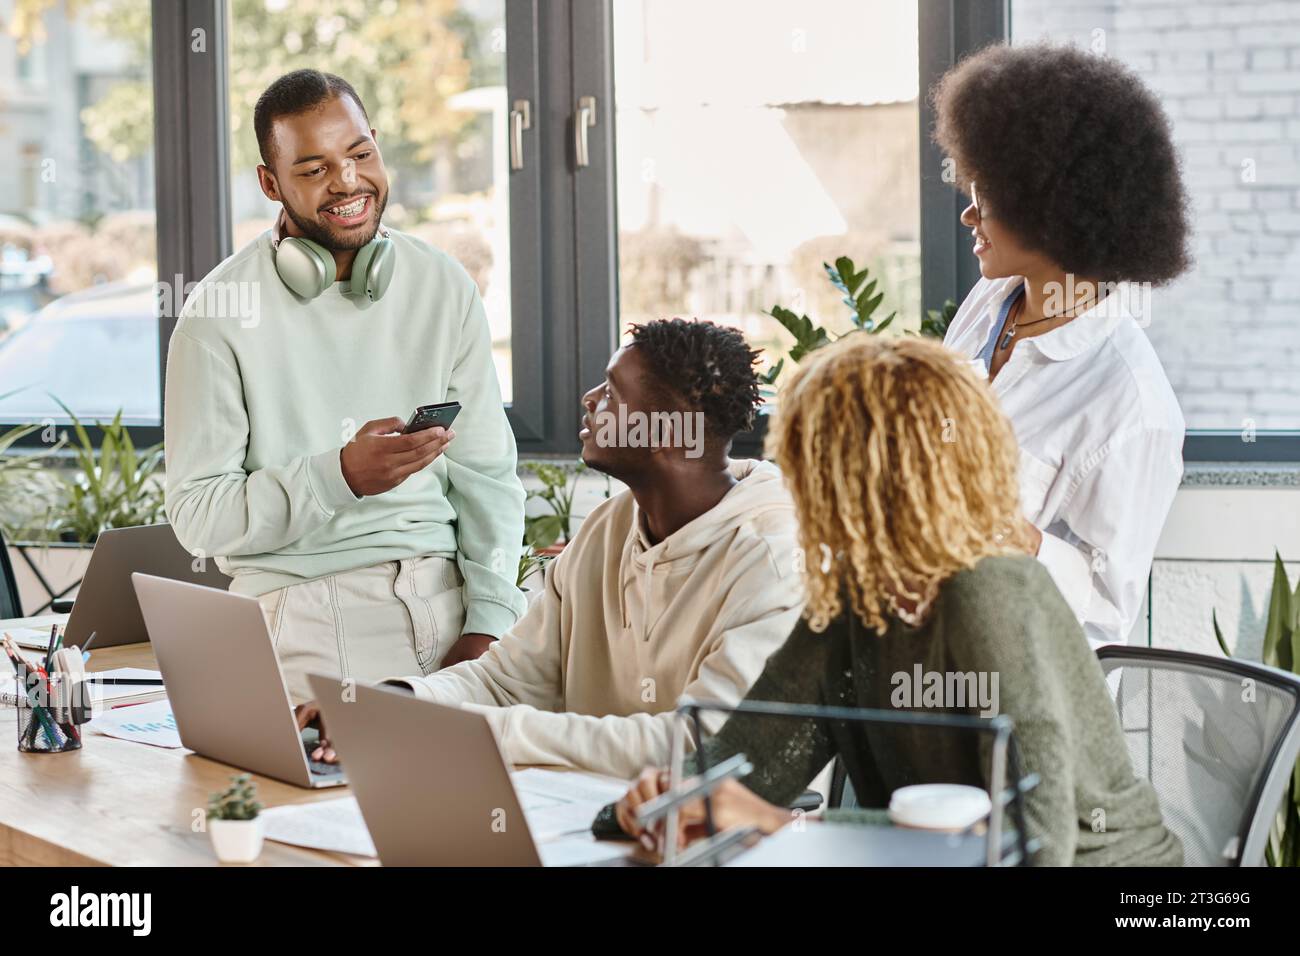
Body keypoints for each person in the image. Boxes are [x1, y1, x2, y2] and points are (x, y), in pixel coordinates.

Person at [607, 334, 1182, 867]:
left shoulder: (990, 588)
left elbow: (1032, 839)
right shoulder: (854, 602)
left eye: (814, 464)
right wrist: (659, 802)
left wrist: (786, 828)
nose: (797, 483)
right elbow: (746, 765)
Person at [299, 319, 805, 779]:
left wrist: (468, 731)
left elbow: (701, 748)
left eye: (612, 392)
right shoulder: (606, 530)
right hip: (583, 821)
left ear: (667, 432)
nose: (589, 398)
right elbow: (504, 682)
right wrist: (395, 701)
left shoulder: (771, 559)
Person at [164, 70, 525, 701]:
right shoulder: (217, 314)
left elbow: (487, 476)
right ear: (270, 183)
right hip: (299, 617)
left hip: (452, 609)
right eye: (314, 169)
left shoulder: (443, 285)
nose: (348, 181)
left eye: (360, 154)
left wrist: (491, 617)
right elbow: (198, 516)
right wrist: (340, 477)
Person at [934, 42, 1190, 648]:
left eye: (987, 194)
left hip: (1019, 707)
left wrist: (1019, 539)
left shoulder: (1133, 406)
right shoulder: (986, 308)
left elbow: (1106, 622)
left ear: (1053, 209)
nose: (969, 216)